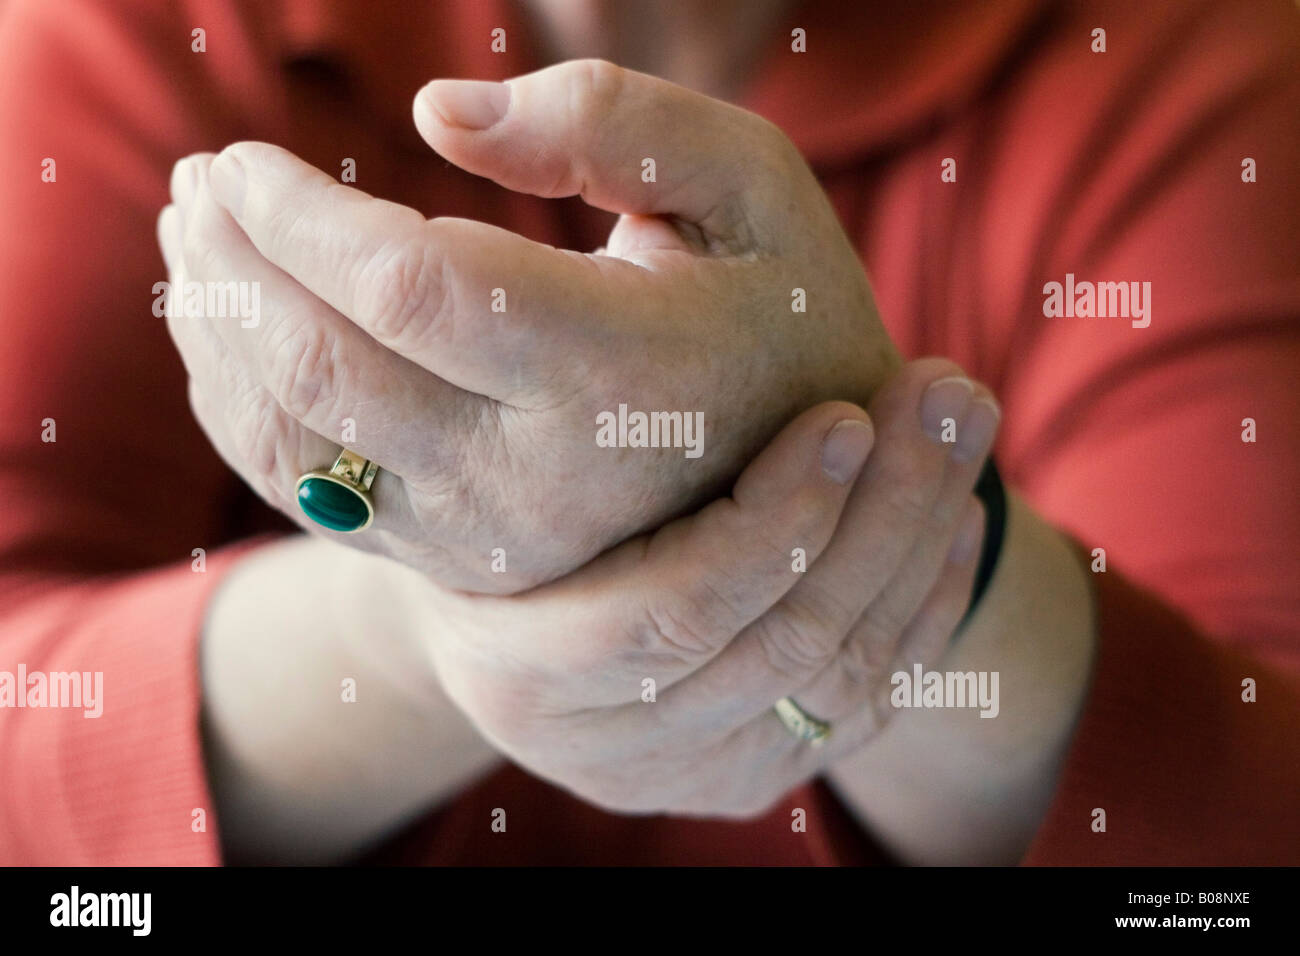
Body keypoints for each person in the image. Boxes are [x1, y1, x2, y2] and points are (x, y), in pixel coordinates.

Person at [0, 0, 1296, 866]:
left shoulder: (1189, 52)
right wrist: (425, 627)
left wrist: (857, 514)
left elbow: (1249, 818)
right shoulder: (130, 35)